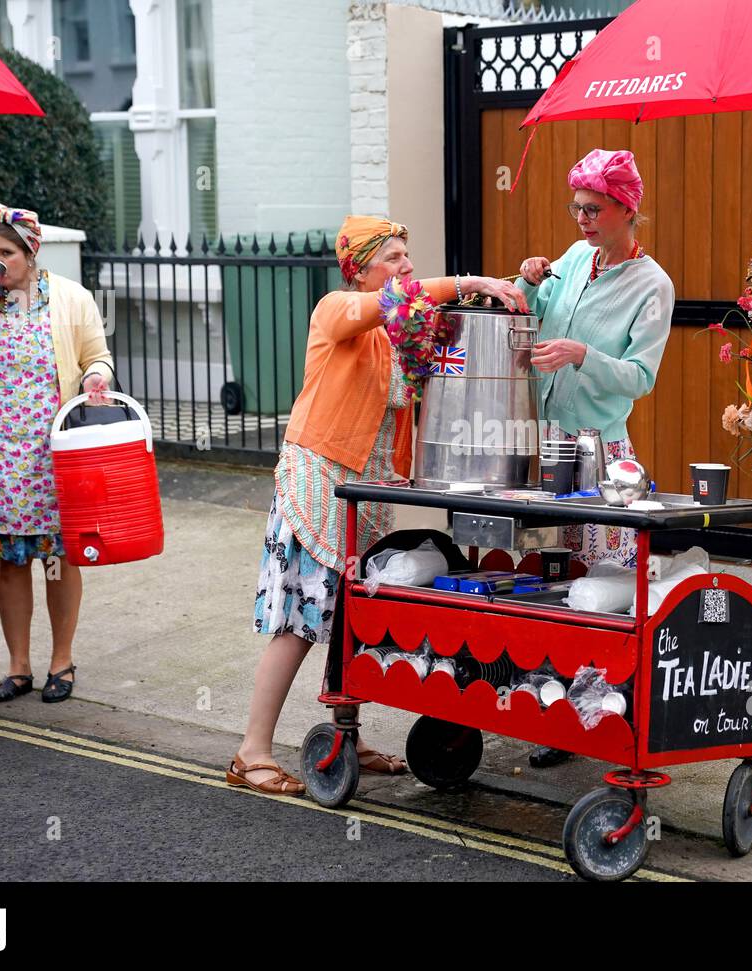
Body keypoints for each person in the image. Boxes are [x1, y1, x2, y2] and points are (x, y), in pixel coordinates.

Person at [227, 215, 528, 795]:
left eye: (406, 256)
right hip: (318, 479)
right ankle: (251, 751)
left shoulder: (402, 329)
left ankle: (347, 734)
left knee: (354, 620)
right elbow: (398, 300)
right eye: (392, 257)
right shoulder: (336, 311)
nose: (405, 266)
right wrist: (474, 281)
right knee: (299, 621)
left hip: (368, 489)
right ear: (359, 271)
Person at [517, 149, 675, 767]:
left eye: (592, 208)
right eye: (575, 208)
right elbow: (529, 324)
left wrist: (584, 354)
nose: (581, 219)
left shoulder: (652, 284)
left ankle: (600, 707)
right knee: (545, 575)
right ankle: (551, 708)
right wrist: (530, 281)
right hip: (546, 442)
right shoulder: (573, 259)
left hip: (602, 451)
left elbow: (640, 378)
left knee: (604, 584)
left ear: (625, 209)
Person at [0, 203, 114, 704]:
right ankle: (18, 667)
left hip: (53, 455)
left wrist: (97, 377)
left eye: (5, 252)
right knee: (9, 562)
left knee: (59, 558)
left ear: (30, 252)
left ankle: (62, 661)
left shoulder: (71, 299)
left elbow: (95, 356)